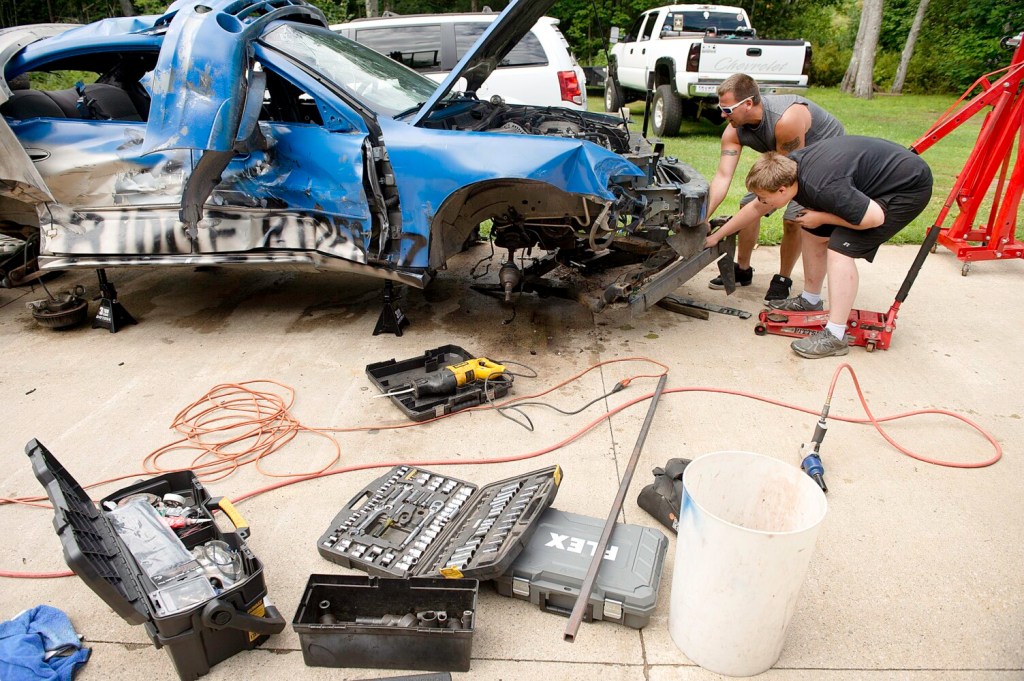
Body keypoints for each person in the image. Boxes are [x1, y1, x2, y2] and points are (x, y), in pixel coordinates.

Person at [705, 135, 933, 359]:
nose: (763, 202)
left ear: (783, 190)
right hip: (875, 180)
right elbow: (755, 209)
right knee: (810, 227)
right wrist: (716, 237)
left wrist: (823, 217)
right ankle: (810, 300)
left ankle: (835, 335)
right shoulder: (789, 170)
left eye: (764, 198)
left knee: (840, 248)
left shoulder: (824, 187)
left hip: (906, 189)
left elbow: (874, 218)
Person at [705, 74, 845, 301]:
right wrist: (704, 216)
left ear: (748, 104)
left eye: (728, 110)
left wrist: (719, 234)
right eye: (721, 108)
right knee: (746, 205)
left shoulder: (785, 120)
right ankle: (742, 269)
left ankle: (783, 278)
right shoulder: (733, 130)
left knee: (794, 218)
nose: (722, 115)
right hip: (786, 159)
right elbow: (722, 177)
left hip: (824, 160)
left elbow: (787, 179)